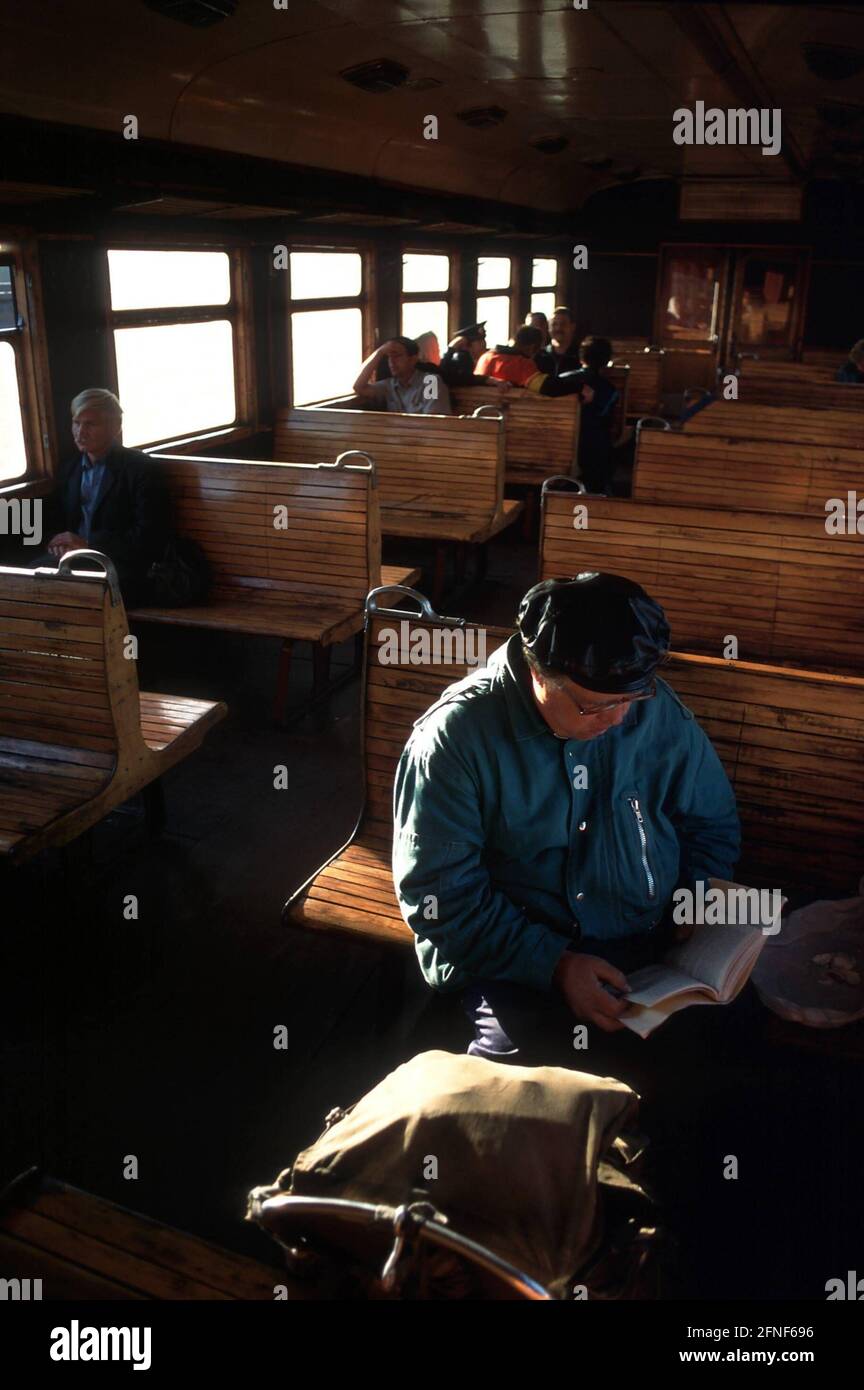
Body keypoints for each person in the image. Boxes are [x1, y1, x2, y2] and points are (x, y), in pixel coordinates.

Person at [392, 572, 740, 1065]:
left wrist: (696, 893)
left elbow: (710, 820)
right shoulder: (454, 742)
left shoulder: (650, 708)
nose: (620, 720)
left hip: (652, 947)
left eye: (631, 699)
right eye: (595, 706)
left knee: (715, 1064)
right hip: (513, 960)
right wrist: (554, 964)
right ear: (539, 675)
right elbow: (438, 897)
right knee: (521, 1088)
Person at [41, 388, 169, 604]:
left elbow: (148, 537)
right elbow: (57, 519)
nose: (80, 432)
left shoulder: (141, 469)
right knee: (31, 576)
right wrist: (59, 542)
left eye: (90, 424)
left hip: (123, 565)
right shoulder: (69, 469)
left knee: (74, 592)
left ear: (115, 427)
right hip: (75, 560)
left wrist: (89, 543)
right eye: (76, 422)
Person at [353, 336, 452, 414]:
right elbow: (359, 387)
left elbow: (433, 421)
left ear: (413, 359)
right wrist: (380, 352)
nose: (391, 362)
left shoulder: (430, 382)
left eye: (397, 356)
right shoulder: (388, 385)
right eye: (389, 357)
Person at [534, 306, 582, 376]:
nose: (558, 328)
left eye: (563, 324)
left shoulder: (581, 355)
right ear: (549, 327)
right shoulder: (539, 356)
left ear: (572, 327)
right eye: (554, 324)